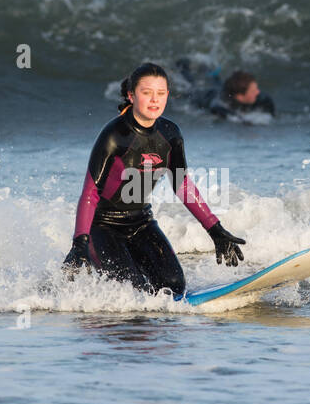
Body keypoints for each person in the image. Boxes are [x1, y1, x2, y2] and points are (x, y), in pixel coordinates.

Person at [63, 62, 246, 295]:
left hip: (141, 223)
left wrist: (215, 230)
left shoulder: (170, 134)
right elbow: (90, 192)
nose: (154, 100)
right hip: (102, 227)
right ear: (131, 95)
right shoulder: (114, 135)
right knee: (133, 290)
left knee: (174, 286)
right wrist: (80, 242)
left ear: (167, 95)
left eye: (160, 94)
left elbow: (182, 185)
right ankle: (93, 259)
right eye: (146, 93)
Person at [196, 69, 276, 118]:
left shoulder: (261, 99)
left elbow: (269, 105)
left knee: (217, 80)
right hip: (207, 93)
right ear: (240, 96)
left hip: (222, 88)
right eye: (253, 91)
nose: (258, 92)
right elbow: (215, 108)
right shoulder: (222, 104)